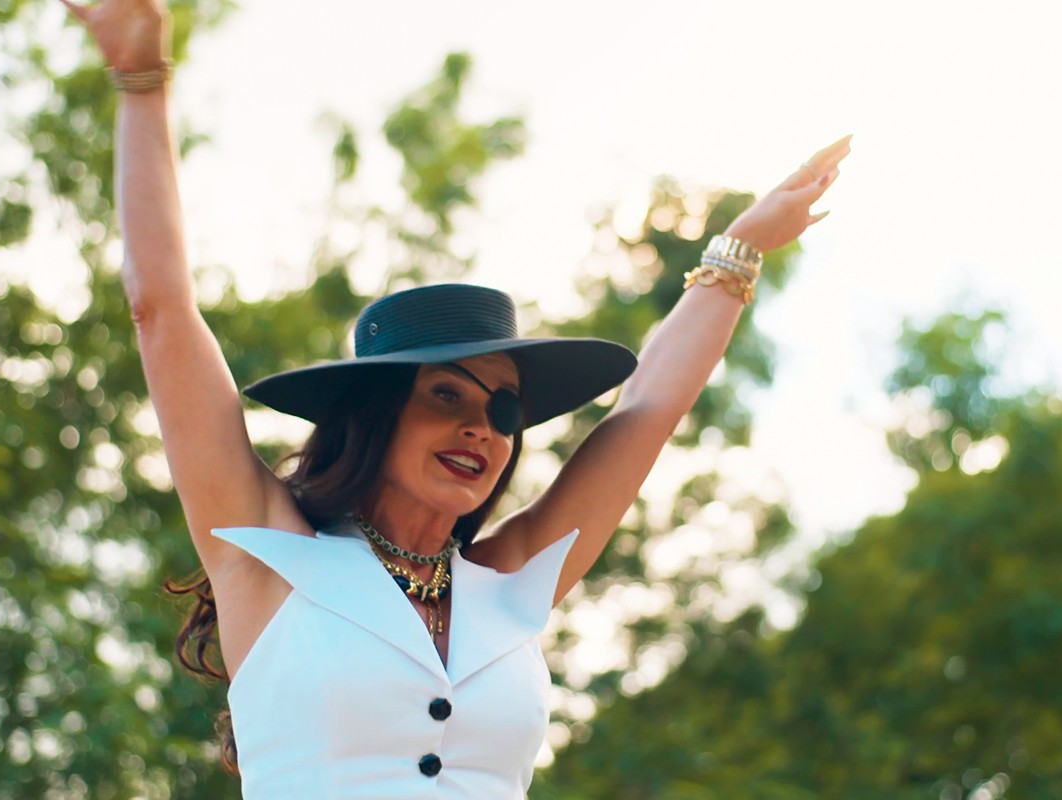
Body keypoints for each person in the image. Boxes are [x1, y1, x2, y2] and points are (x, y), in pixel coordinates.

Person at [59, 0, 850, 796]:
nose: (482, 428)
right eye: (447, 395)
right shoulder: (267, 556)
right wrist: (141, 83)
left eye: (504, 410)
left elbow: (645, 411)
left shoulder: (509, 583)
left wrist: (736, 251)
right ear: (375, 413)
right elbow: (160, 311)